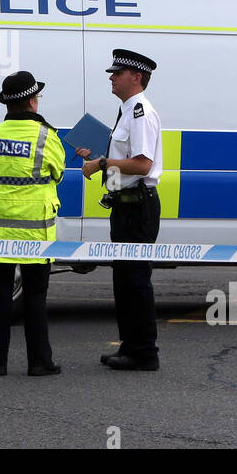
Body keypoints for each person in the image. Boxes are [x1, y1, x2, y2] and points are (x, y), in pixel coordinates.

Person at [0, 70, 65, 377]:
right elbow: (58, 172)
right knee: (36, 296)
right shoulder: (46, 136)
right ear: (32, 102)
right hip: (34, 230)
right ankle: (40, 362)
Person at [77, 49, 162, 371]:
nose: (111, 77)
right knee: (125, 281)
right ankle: (131, 347)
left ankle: (143, 353)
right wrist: (102, 157)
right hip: (126, 205)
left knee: (136, 281)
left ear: (136, 77)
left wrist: (101, 162)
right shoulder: (127, 111)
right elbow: (126, 162)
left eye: (118, 73)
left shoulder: (140, 111)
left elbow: (142, 165)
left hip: (138, 207)